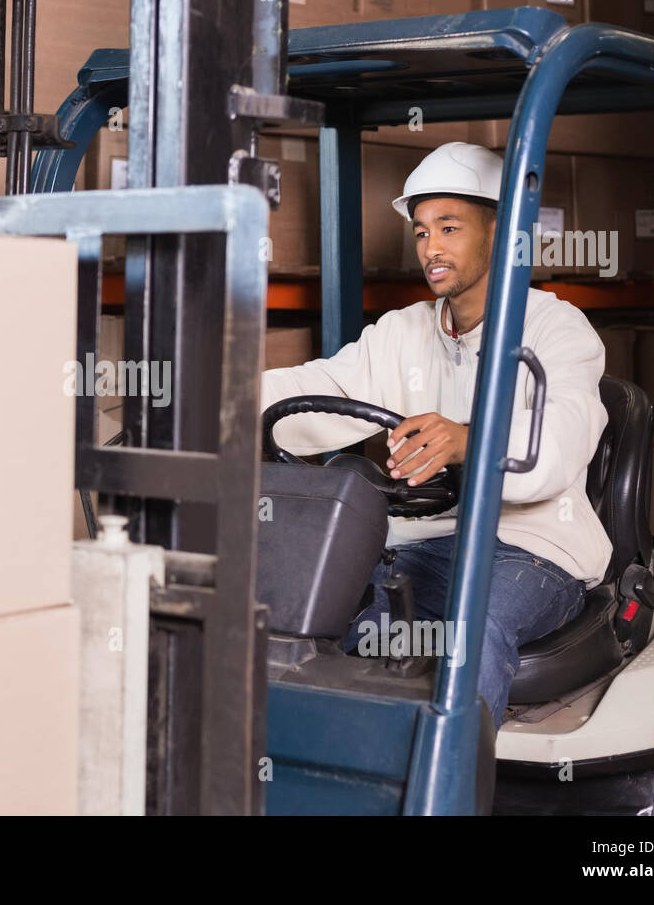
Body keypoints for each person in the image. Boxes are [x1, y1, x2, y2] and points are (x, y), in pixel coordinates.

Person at [260, 141, 612, 730]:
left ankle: (447, 791)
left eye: (450, 227)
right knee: (320, 610)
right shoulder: (403, 331)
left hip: (533, 550)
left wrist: (468, 440)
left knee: (472, 630)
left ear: (499, 233)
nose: (432, 248)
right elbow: (322, 388)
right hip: (422, 543)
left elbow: (558, 445)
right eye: (422, 232)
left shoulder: (557, 328)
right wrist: (222, 397)